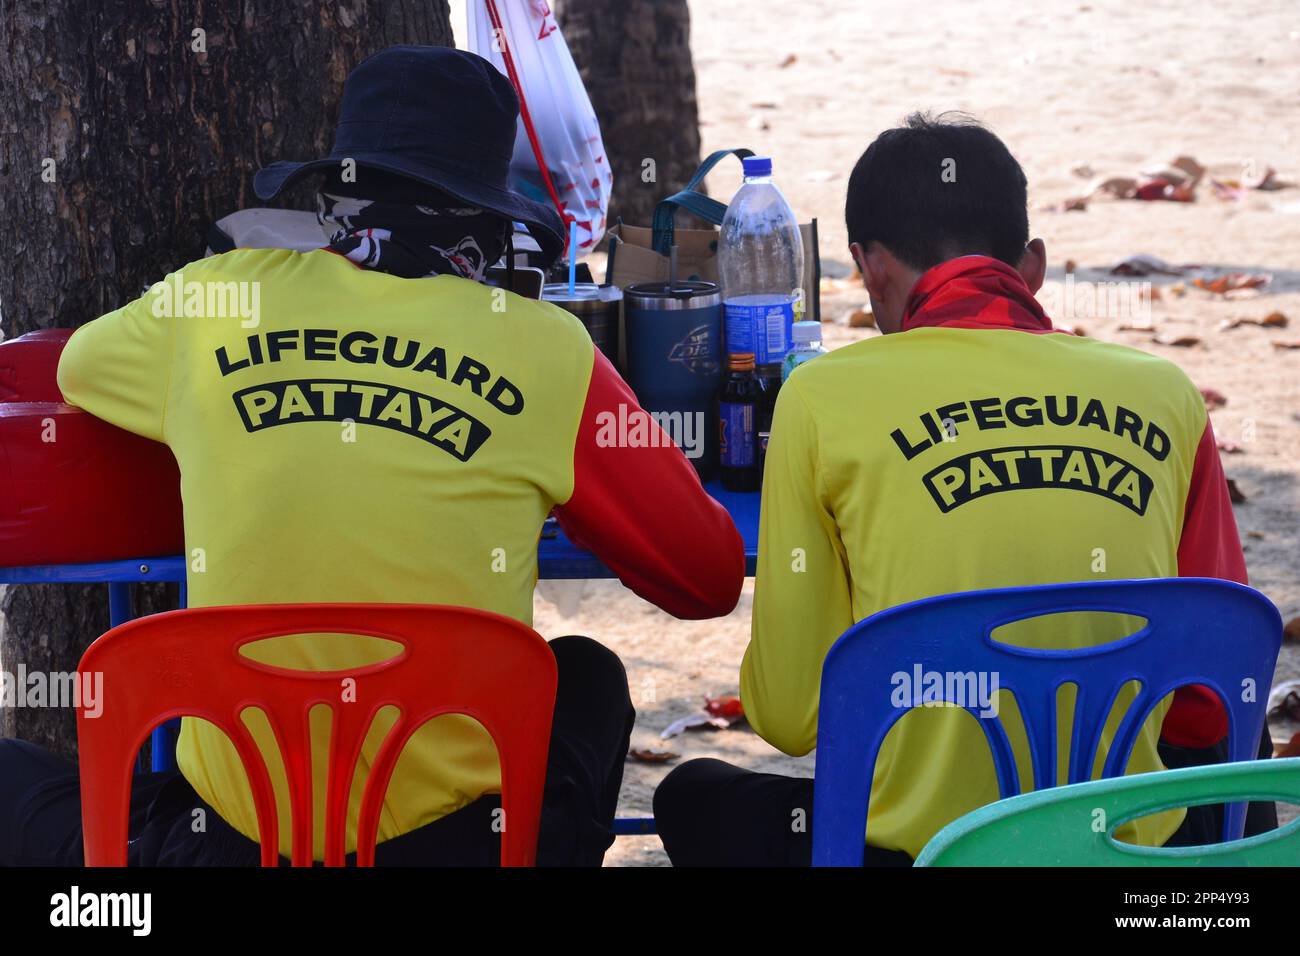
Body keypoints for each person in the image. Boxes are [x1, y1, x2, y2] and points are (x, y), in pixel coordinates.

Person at [0, 46, 744, 867]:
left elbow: (80, 367)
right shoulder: (549, 350)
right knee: (588, 677)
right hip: (457, 851)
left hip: (226, 847)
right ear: (488, 211)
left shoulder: (215, 299)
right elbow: (706, 578)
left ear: (335, 190)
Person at [654, 112, 1275, 866]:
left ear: (868, 267)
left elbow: (789, 716)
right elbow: (1210, 707)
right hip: (1124, 857)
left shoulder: (820, 399)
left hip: (913, 854)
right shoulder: (1165, 393)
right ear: (1033, 266)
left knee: (690, 797)